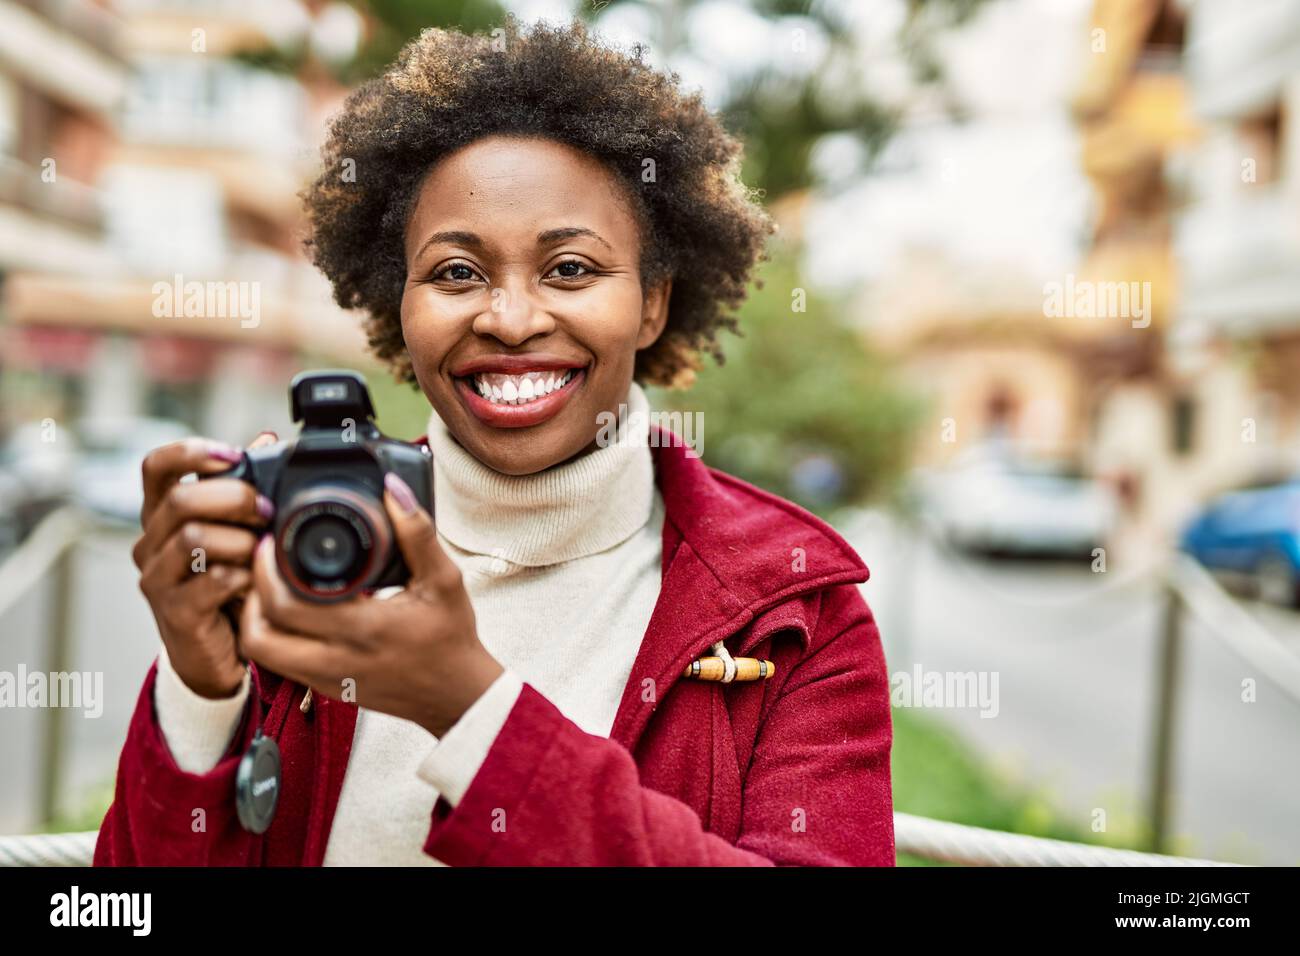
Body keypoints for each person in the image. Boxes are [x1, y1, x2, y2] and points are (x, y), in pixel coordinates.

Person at [95, 18, 894, 867]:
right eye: (455, 273)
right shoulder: (303, 549)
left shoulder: (796, 611)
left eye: (572, 269)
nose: (510, 319)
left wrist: (473, 713)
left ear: (653, 304)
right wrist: (199, 692)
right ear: (394, 304)